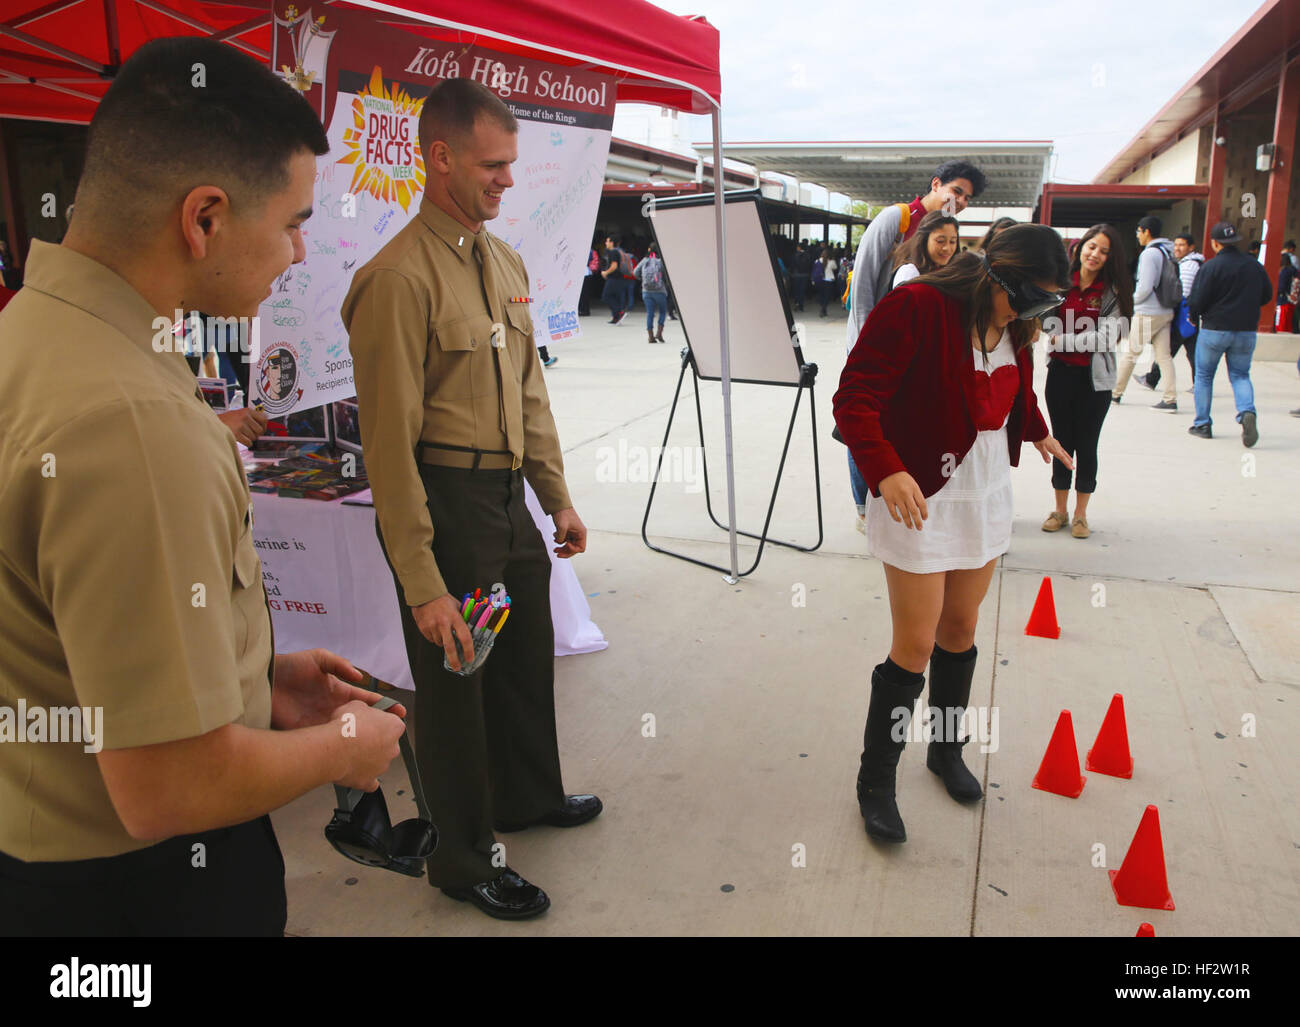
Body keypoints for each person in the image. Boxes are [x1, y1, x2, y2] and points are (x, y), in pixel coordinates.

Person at [0, 37, 407, 937]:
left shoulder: (36, 334)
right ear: (205, 219)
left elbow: (66, 644)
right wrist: (344, 745)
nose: (300, 252)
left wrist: (254, 683)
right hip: (138, 890)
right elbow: (165, 785)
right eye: (293, 221)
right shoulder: (132, 423)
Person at [341, 77, 599, 922]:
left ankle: (526, 797)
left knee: (523, 656)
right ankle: (464, 858)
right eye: (492, 166)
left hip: (508, 498)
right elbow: (387, 445)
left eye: (512, 165)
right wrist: (421, 579)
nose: (507, 181)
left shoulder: (504, 263)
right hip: (446, 502)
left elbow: (530, 395)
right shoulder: (395, 279)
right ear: (439, 158)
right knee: (455, 689)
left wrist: (555, 496)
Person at [834, 224, 1072, 844]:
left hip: (986, 494)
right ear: (999, 275)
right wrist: (883, 469)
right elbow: (855, 395)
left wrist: (1035, 428)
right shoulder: (916, 306)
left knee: (960, 631)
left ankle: (944, 751)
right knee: (913, 645)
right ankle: (876, 780)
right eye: (1033, 296)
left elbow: (1014, 380)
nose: (1037, 311)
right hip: (920, 495)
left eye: (1048, 301)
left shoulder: (1015, 321)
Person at [843, 160, 987, 532]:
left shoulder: (944, 235)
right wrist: (864, 353)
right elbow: (862, 289)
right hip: (871, 346)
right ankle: (864, 507)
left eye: (967, 198)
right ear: (936, 183)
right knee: (863, 422)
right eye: (956, 191)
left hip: (907, 354)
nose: (960, 201)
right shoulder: (897, 219)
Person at [1041, 224, 1132, 539]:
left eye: (1104, 251)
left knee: (1087, 446)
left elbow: (1106, 338)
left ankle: (1081, 515)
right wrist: (1068, 338)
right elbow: (1045, 323)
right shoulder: (1061, 285)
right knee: (1061, 443)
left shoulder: (1111, 293)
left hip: (1095, 382)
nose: (1095, 254)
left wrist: (1063, 340)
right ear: (1080, 247)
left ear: (1110, 258)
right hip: (1060, 376)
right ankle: (1060, 510)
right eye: (1092, 246)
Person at [1186, 221, 1272, 446]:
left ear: (1215, 243)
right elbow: (1267, 295)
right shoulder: (1254, 266)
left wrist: (1194, 316)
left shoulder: (1211, 267)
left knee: (1204, 376)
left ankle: (1202, 424)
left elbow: (1198, 299)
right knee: (1241, 375)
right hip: (1246, 331)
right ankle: (1246, 412)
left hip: (1215, 329)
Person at [1112, 215, 1178, 409]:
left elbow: (1145, 286)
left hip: (1148, 312)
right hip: (1166, 311)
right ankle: (1170, 398)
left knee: (1131, 353)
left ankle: (1115, 393)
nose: (1137, 236)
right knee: (1164, 356)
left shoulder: (1149, 254)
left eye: (1138, 232)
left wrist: (1129, 303)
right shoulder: (1167, 251)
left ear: (1146, 231)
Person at [1141, 233, 1202, 390]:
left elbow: (1184, 292)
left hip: (1184, 315)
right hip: (1189, 316)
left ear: (1191, 247)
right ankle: (1198, 383)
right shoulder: (1187, 263)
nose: (1177, 248)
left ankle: (1152, 380)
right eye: (1176, 245)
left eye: (1181, 245)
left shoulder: (1189, 265)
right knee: (1188, 351)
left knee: (1167, 352)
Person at [887, 211, 960, 291]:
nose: (947, 248)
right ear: (924, 240)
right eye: (940, 241)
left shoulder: (954, 274)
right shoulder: (910, 273)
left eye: (952, 242)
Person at [634, 243, 669, 343]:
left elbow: (635, 272)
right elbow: (666, 275)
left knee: (650, 313)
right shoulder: (660, 261)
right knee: (662, 312)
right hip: (660, 291)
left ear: (649, 249)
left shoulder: (644, 261)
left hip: (646, 291)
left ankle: (650, 337)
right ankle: (659, 333)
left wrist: (642, 279)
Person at [601, 235, 629, 325]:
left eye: (607, 241)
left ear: (612, 243)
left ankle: (620, 312)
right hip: (620, 278)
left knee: (606, 296)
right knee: (615, 297)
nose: (606, 243)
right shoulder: (620, 251)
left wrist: (606, 273)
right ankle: (616, 318)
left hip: (614, 278)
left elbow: (614, 266)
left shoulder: (613, 252)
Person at [818, 247, 838, 317]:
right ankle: (823, 309)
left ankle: (823, 310)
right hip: (829, 280)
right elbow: (835, 268)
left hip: (820, 280)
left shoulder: (819, 260)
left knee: (822, 295)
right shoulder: (832, 262)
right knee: (827, 296)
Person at [792, 242, 812, 311]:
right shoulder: (807, 255)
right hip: (805, 275)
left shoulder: (796, 255)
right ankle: (801, 305)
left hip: (797, 274)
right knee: (802, 290)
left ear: (799, 247)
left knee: (797, 290)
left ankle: (796, 303)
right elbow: (810, 265)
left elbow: (793, 264)